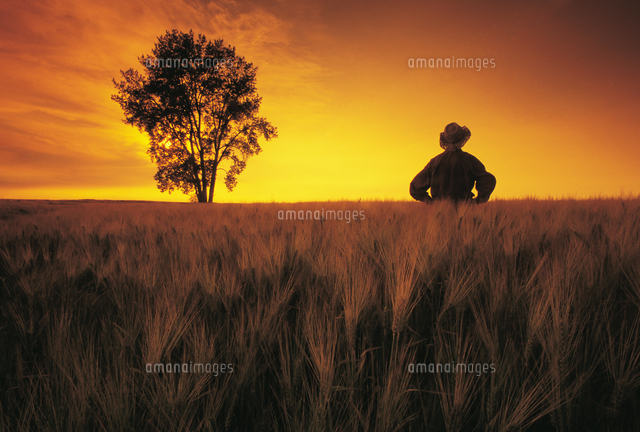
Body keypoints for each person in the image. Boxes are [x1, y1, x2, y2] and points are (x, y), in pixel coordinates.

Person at [409, 122, 496, 204]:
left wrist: (432, 203)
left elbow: (415, 187)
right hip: (465, 208)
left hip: (439, 210)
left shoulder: (434, 162)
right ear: (462, 140)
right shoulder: (470, 160)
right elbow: (488, 180)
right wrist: (478, 200)